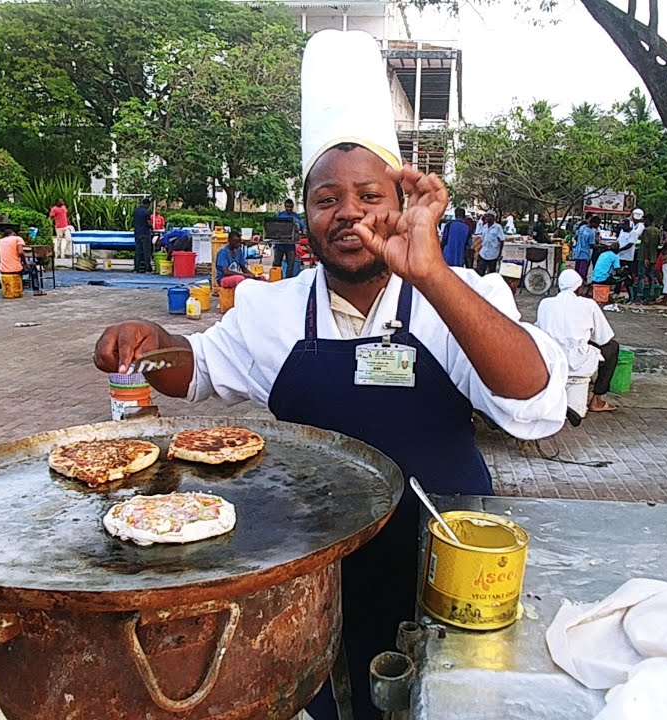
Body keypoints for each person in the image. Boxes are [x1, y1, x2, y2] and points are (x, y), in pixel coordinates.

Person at [92, 30, 565, 720]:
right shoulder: (272, 311)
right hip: (317, 572)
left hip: (449, 566)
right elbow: (193, 372)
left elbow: (537, 405)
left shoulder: (462, 296)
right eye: (326, 199)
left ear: (401, 202)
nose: (348, 213)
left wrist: (430, 273)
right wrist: (152, 341)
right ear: (307, 217)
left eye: (369, 194)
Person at [536, 269, 619, 424]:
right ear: (579, 288)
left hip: (551, 359)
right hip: (577, 361)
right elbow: (603, 338)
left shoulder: (545, 304)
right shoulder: (589, 304)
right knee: (612, 348)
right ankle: (597, 399)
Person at [0, 228, 44, 296]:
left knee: (20, 266)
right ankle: (36, 290)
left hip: (3, 270)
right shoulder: (17, 239)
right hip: (15, 269)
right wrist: (25, 263)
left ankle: (19, 287)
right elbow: (20, 252)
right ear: (12, 234)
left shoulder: (1, 241)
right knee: (33, 266)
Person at [274, 198, 306, 279]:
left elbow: (303, 228)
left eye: (290, 207)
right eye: (287, 207)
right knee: (276, 264)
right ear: (285, 206)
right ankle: (276, 279)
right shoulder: (280, 215)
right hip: (279, 244)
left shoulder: (296, 216)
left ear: (293, 207)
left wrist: (303, 231)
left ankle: (288, 281)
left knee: (291, 265)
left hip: (290, 245)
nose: (289, 209)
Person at [636, 214, 661, 295]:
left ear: (648, 220)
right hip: (653, 256)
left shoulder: (646, 230)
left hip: (643, 257)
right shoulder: (657, 230)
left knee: (641, 276)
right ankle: (651, 294)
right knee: (651, 276)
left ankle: (640, 294)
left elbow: (646, 245)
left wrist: (646, 258)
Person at [573, 216, 599, 285]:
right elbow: (592, 245)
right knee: (582, 273)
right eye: (597, 224)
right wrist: (601, 247)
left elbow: (576, 237)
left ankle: (575, 285)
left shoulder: (582, 227)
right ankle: (580, 286)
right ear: (593, 223)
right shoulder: (591, 233)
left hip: (578, 252)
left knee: (577, 271)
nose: (597, 226)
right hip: (585, 254)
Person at [131, 197, 153, 274]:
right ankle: (147, 269)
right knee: (146, 251)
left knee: (138, 251)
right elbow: (148, 222)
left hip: (137, 233)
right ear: (147, 204)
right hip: (145, 233)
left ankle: (136, 268)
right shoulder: (147, 212)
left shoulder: (135, 211)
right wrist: (151, 227)